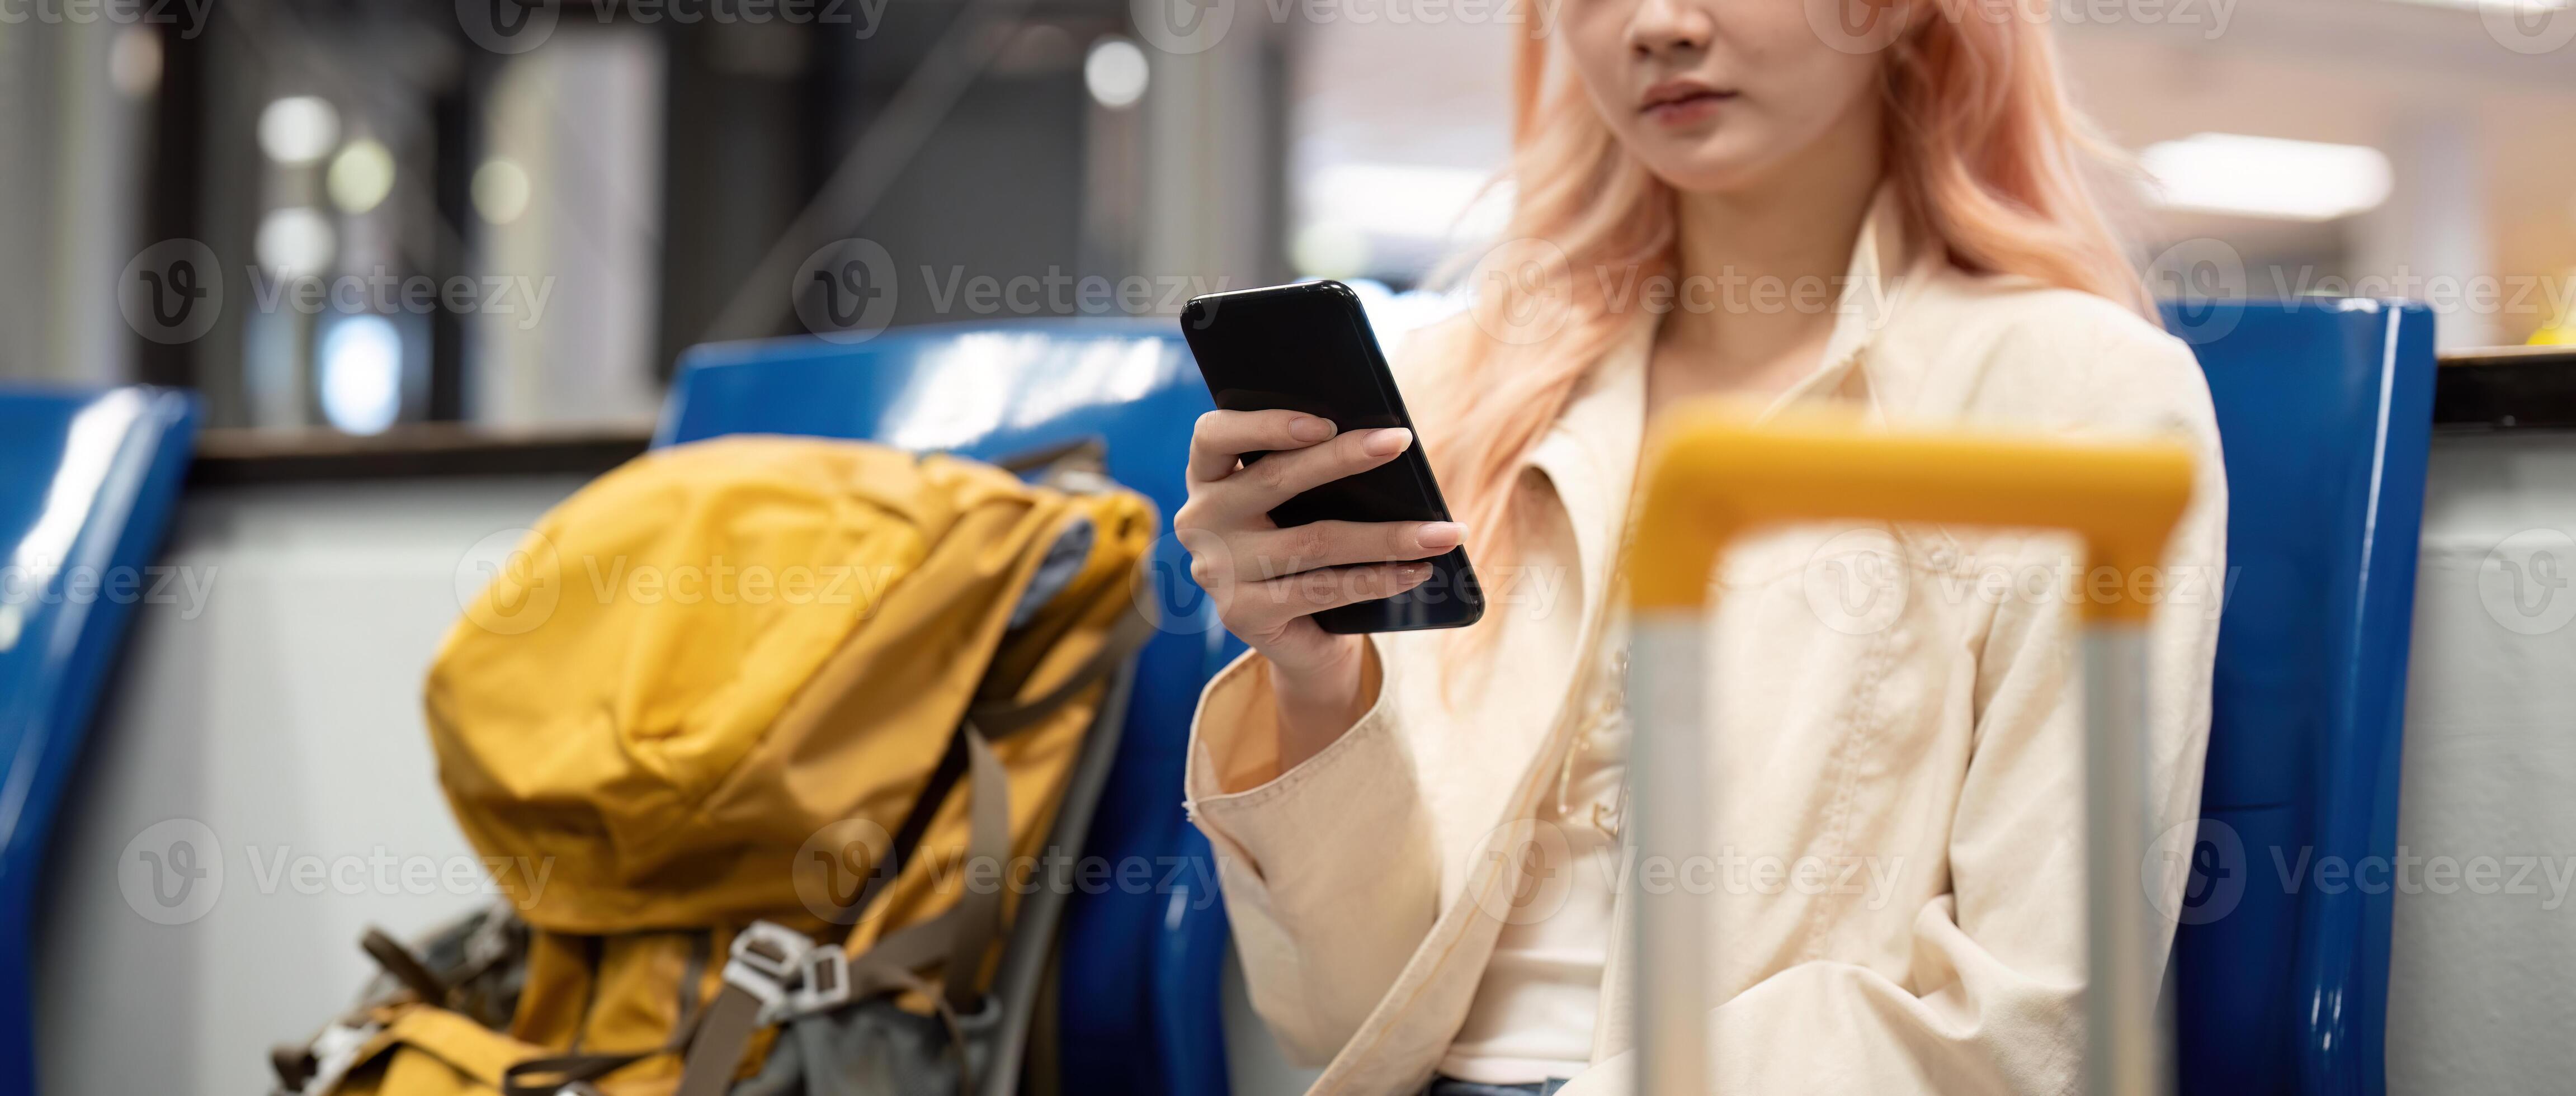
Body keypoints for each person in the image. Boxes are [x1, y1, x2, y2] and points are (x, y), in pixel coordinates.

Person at [1172, 0, 2229, 1088]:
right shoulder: (1464, 391)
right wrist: (1314, 681)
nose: (1657, 24)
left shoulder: (2079, 396)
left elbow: (2035, 1023)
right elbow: (1347, 1025)